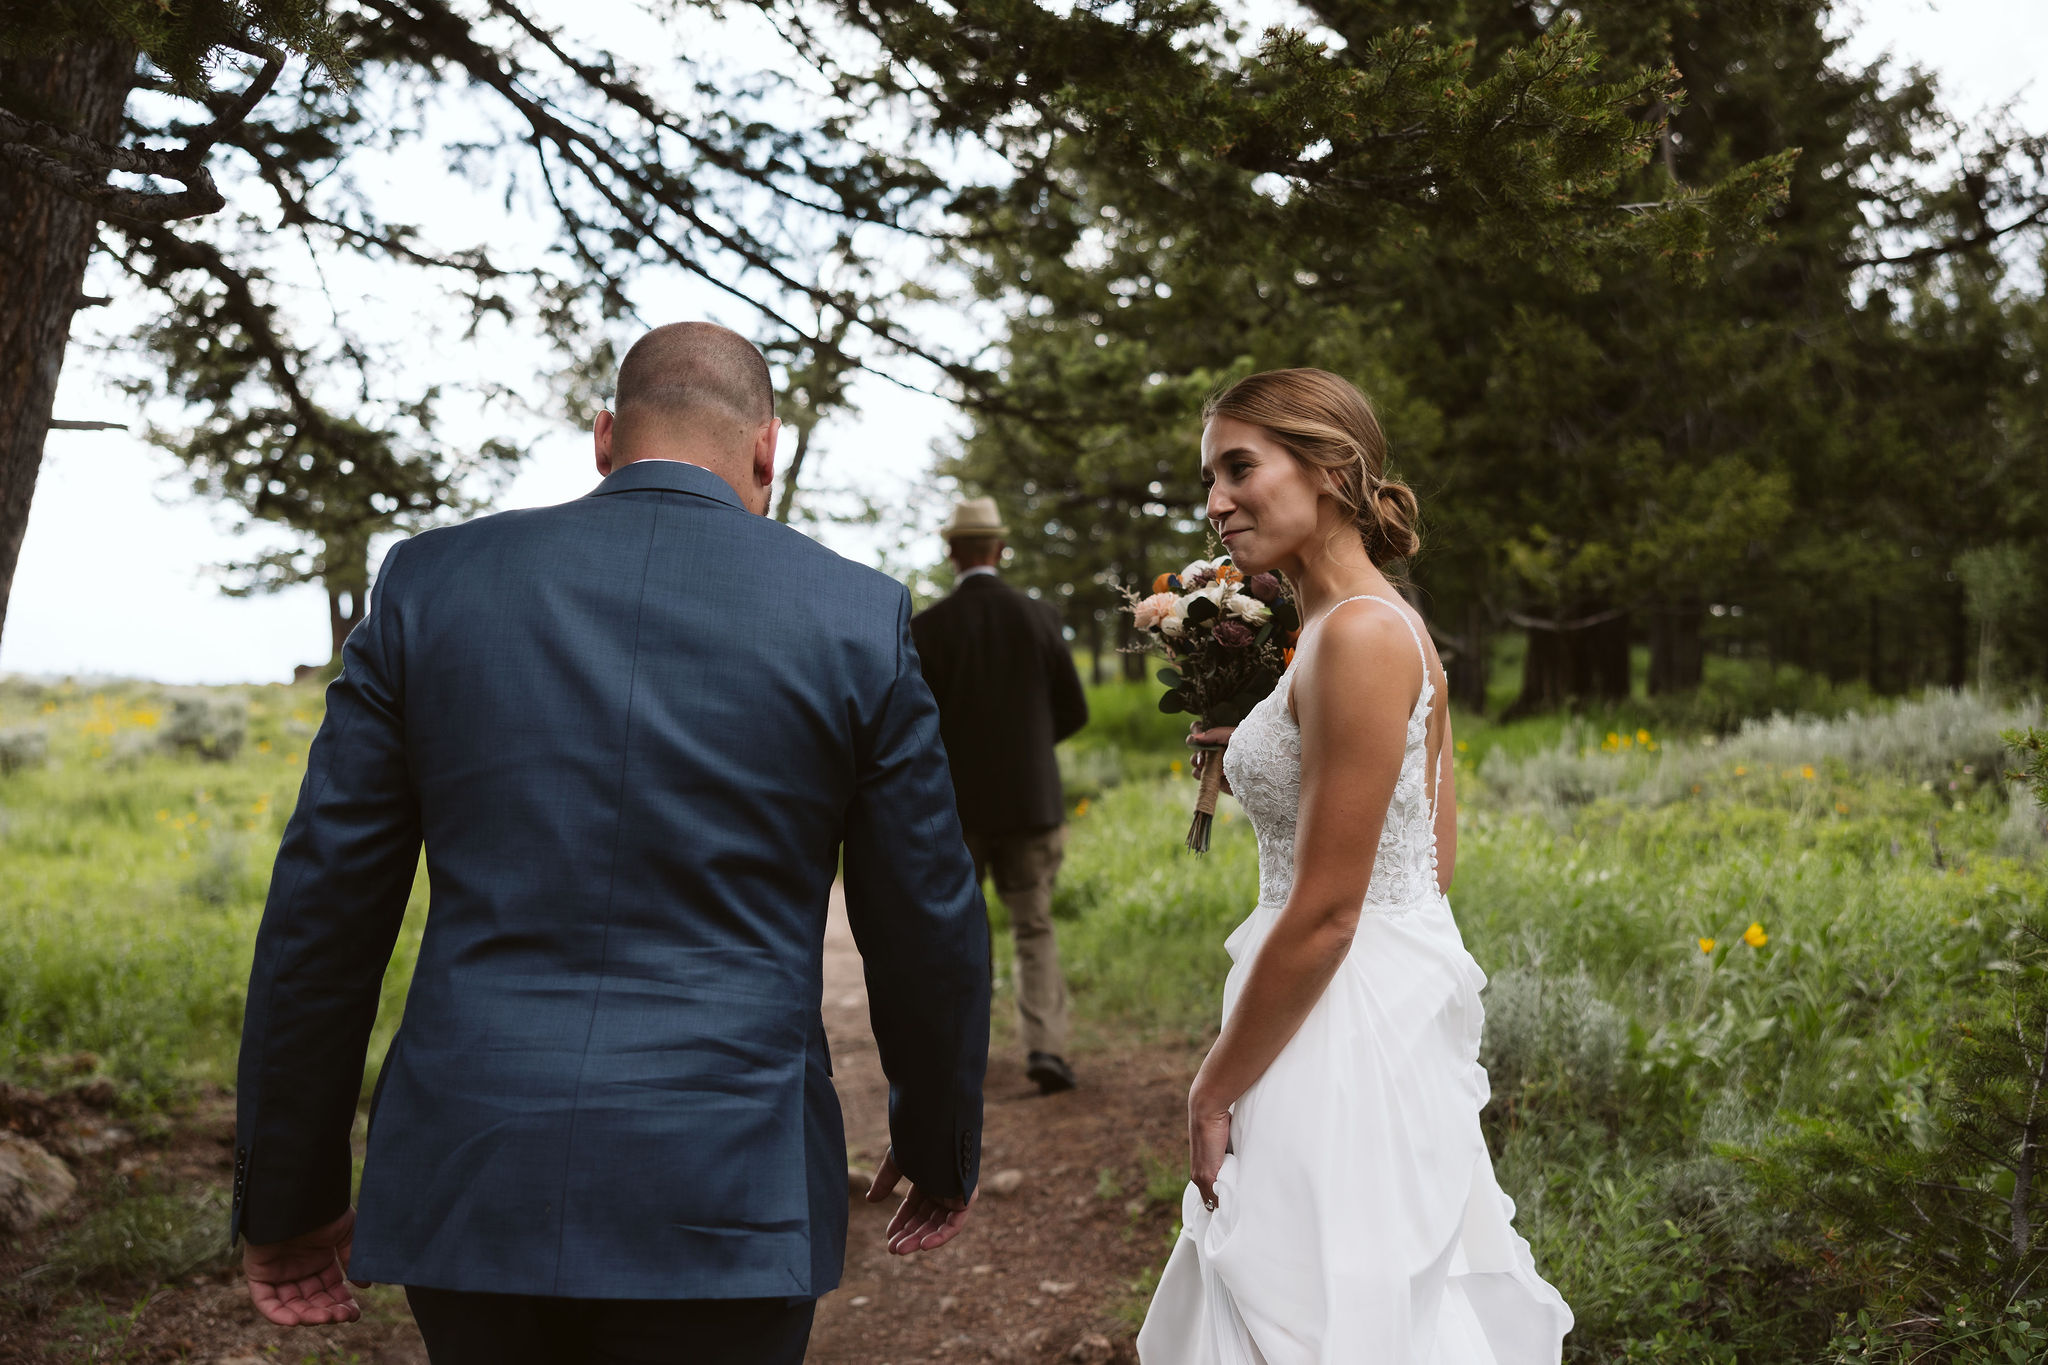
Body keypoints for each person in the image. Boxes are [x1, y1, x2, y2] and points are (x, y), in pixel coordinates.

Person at [231, 322, 992, 1365]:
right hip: (729, 1181)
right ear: (768, 449)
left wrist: (286, 1196)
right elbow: (926, 920)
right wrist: (935, 1141)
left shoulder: (429, 585)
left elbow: (322, 913)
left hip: (473, 1168)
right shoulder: (856, 616)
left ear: (603, 437)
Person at [1137, 369, 1571, 1363]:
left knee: (1325, 1309)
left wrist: (1210, 1087)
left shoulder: (1360, 636)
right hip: (1355, 993)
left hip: (1335, 1018)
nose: (1213, 503)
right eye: (1207, 478)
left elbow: (1332, 909)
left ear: (1330, 468)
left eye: (1238, 467)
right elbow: (1427, 857)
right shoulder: (1361, 628)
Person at [911, 497, 1089, 1095]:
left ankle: (963, 1059)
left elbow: (915, 725)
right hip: (1033, 802)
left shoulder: (925, 628)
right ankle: (1046, 1051)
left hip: (957, 809)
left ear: (951, 551)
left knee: (962, 933)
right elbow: (1074, 709)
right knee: (1033, 925)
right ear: (1000, 549)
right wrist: (1033, 751)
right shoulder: (1039, 617)